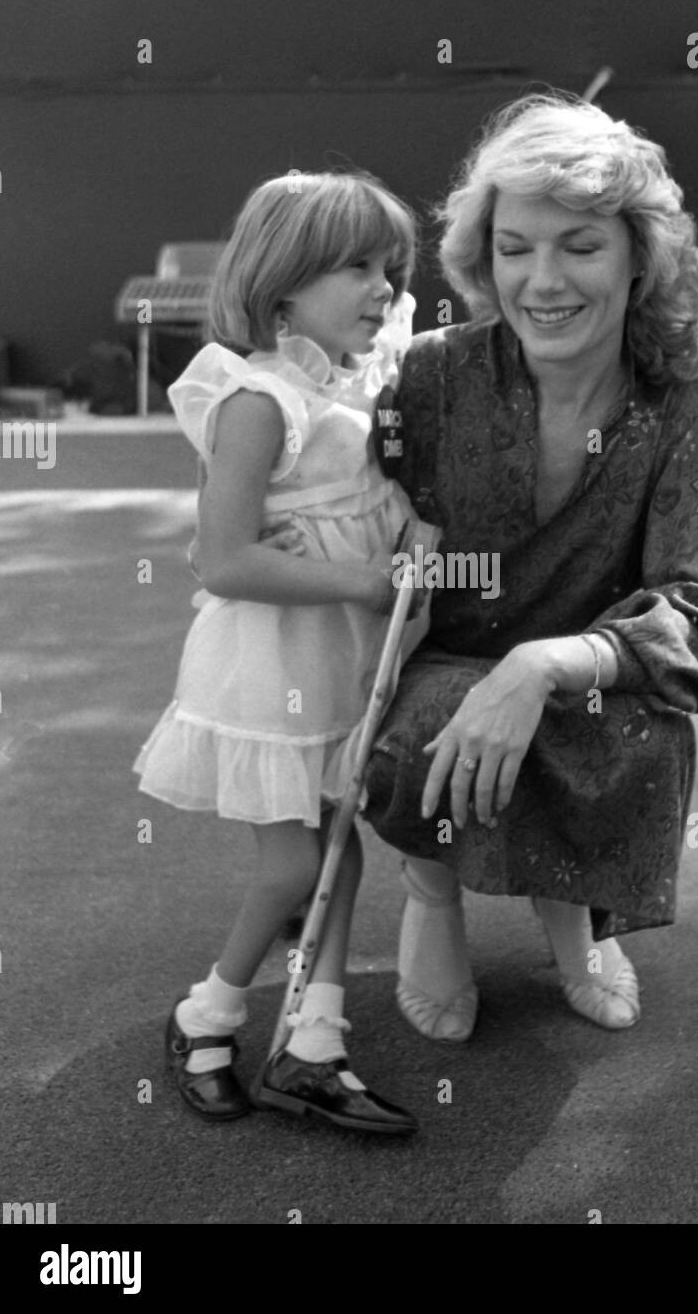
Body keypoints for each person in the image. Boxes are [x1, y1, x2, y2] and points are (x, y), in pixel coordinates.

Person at [351, 93, 698, 1043]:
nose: (542, 280)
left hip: (591, 675)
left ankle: (574, 918)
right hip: (440, 665)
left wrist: (546, 664)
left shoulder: (692, 399)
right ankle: (433, 901)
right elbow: (353, 513)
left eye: (580, 246)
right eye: (515, 247)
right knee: (430, 719)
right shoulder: (430, 374)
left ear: (639, 258)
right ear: (484, 257)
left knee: (637, 735)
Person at [133, 170, 426, 1134]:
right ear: (283, 285)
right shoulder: (258, 397)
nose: (383, 288)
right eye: (356, 268)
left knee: (341, 840)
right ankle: (206, 1014)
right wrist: (360, 579)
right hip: (271, 662)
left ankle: (317, 1041)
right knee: (294, 864)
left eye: (389, 267)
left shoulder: (350, 381)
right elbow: (223, 559)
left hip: (343, 655)